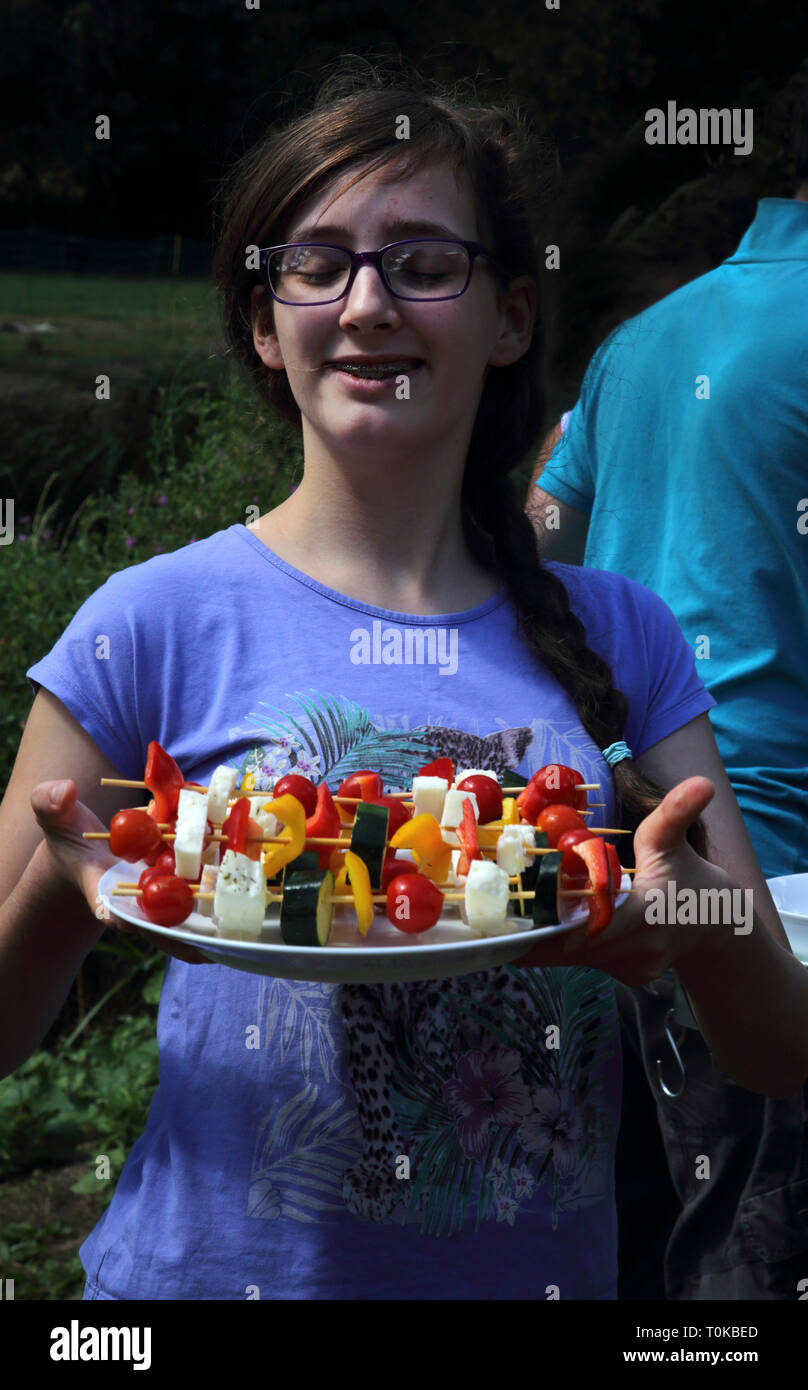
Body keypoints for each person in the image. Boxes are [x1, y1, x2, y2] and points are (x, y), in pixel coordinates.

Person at [1, 68, 806, 1303]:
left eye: (424, 262)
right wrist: (69, 898)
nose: (368, 302)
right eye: (315, 263)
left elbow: (776, 1045)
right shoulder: (150, 621)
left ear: (510, 319)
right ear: (267, 323)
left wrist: (689, 912)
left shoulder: (624, 631)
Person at [526, 100, 808, 1299]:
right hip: (782, 883)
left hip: (623, 855)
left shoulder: (640, 339)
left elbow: (539, 533)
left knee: (649, 1244)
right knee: (758, 1252)